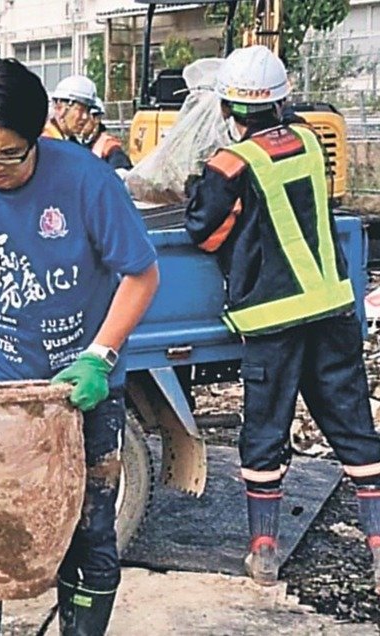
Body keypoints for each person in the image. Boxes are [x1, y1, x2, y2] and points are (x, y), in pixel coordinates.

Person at [0, 58, 159, 635]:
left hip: (80, 389)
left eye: (8, 154)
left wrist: (101, 355)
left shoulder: (86, 181)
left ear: (38, 134)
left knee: (87, 531)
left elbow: (142, 275)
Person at [184, 45, 380, 591]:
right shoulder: (313, 144)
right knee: (353, 428)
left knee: (265, 432)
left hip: (272, 321)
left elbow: (202, 229)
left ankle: (263, 552)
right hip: (332, 309)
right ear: (282, 100)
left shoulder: (231, 164)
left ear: (227, 109)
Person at [80, 99, 133, 173]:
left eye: (85, 117)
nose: (80, 121)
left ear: (97, 119)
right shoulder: (76, 144)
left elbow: (121, 176)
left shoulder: (110, 148)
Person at [43, 74, 97, 142]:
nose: (85, 117)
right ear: (60, 107)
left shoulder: (68, 141)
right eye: (80, 109)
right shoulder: (46, 142)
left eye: (88, 110)